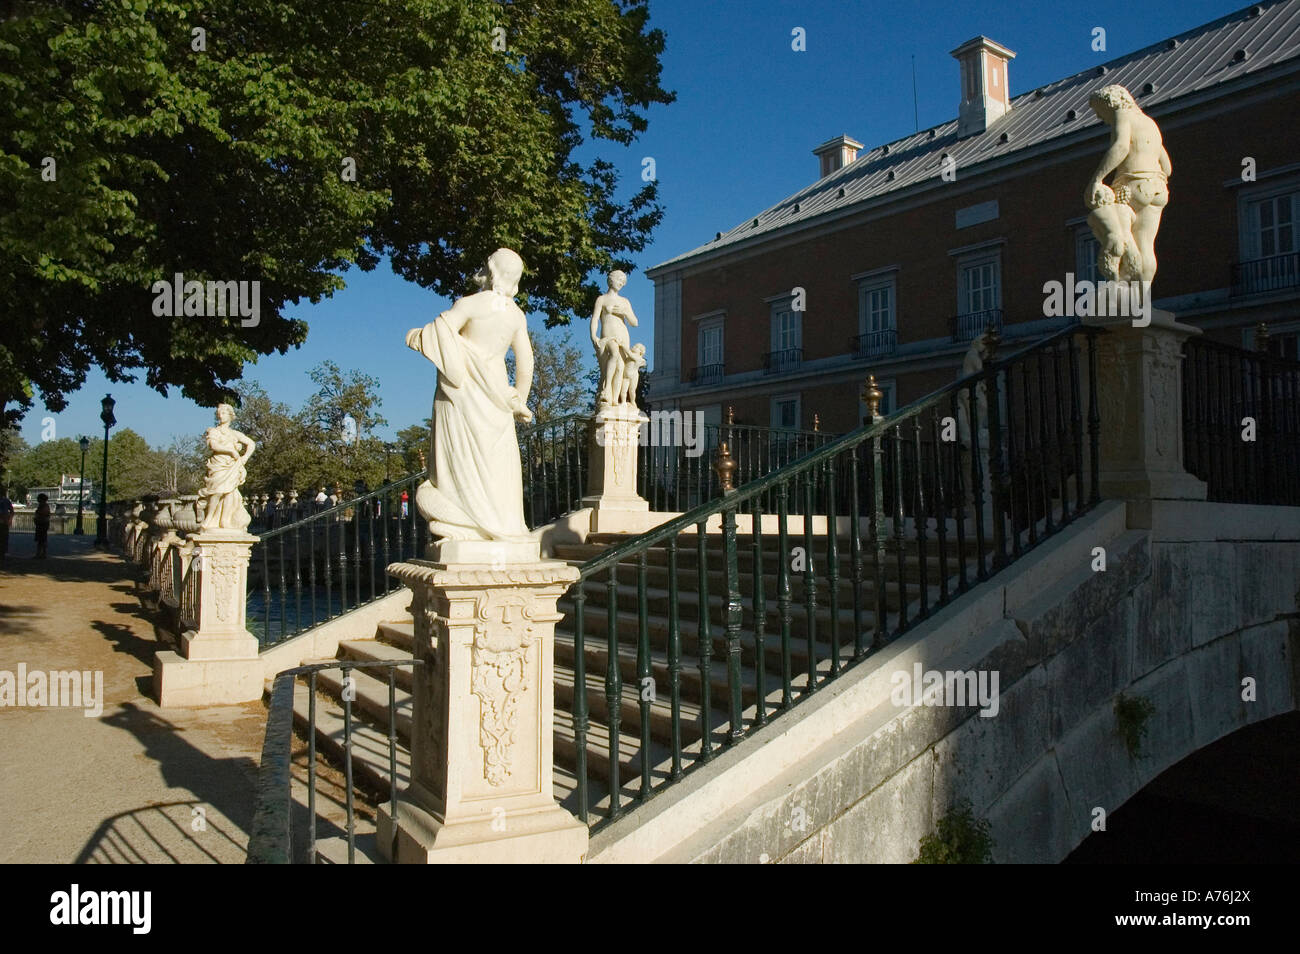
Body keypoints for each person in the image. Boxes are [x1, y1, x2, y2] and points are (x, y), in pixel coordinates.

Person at [405, 247, 535, 542]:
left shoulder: (469, 304)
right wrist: (518, 400)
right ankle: (502, 525)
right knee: (497, 464)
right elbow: (526, 363)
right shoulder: (516, 315)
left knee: (458, 459)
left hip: (461, 394)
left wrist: (416, 335)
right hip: (497, 394)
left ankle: (465, 524)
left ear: (490, 271)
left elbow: (441, 332)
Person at [1085, 84, 1171, 287]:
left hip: (1130, 185)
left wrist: (1097, 179)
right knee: (1146, 246)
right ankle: (1142, 297)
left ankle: (1121, 290)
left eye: (1099, 111)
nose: (1100, 117)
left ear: (1110, 103)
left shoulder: (1121, 114)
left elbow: (1121, 146)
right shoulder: (1150, 124)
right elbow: (1167, 167)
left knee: (1120, 236)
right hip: (1158, 189)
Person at [199, 403, 257, 531]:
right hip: (219, 465)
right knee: (217, 491)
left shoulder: (234, 433)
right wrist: (231, 451)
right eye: (219, 413)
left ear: (231, 415)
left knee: (229, 493)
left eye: (224, 413)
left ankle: (225, 520)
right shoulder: (214, 431)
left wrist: (245, 458)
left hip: (232, 466)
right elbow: (213, 446)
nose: (221, 415)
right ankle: (209, 519)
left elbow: (251, 444)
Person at [590, 270, 641, 407]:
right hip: (608, 335)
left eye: (623, 282)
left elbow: (635, 322)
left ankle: (614, 398)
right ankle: (606, 389)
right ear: (611, 279)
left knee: (620, 367)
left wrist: (625, 312)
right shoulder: (602, 299)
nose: (621, 284)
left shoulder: (624, 301)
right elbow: (595, 319)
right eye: (619, 280)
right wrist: (593, 335)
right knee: (613, 353)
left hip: (623, 335)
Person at [33, 492, 51, 558]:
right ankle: (42, 553)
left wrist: (37, 517)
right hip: (43, 523)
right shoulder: (45, 505)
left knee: (41, 539)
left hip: (42, 524)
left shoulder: (43, 506)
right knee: (42, 539)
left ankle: (40, 554)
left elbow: (42, 514)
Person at [0, 487, 14, 562]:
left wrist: (10, 520)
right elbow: (11, 511)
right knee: (4, 538)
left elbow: (12, 511)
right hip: (4, 521)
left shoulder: (6, 501)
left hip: (4, 522)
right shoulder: (6, 501)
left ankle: (2, 554)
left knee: (4, 538)